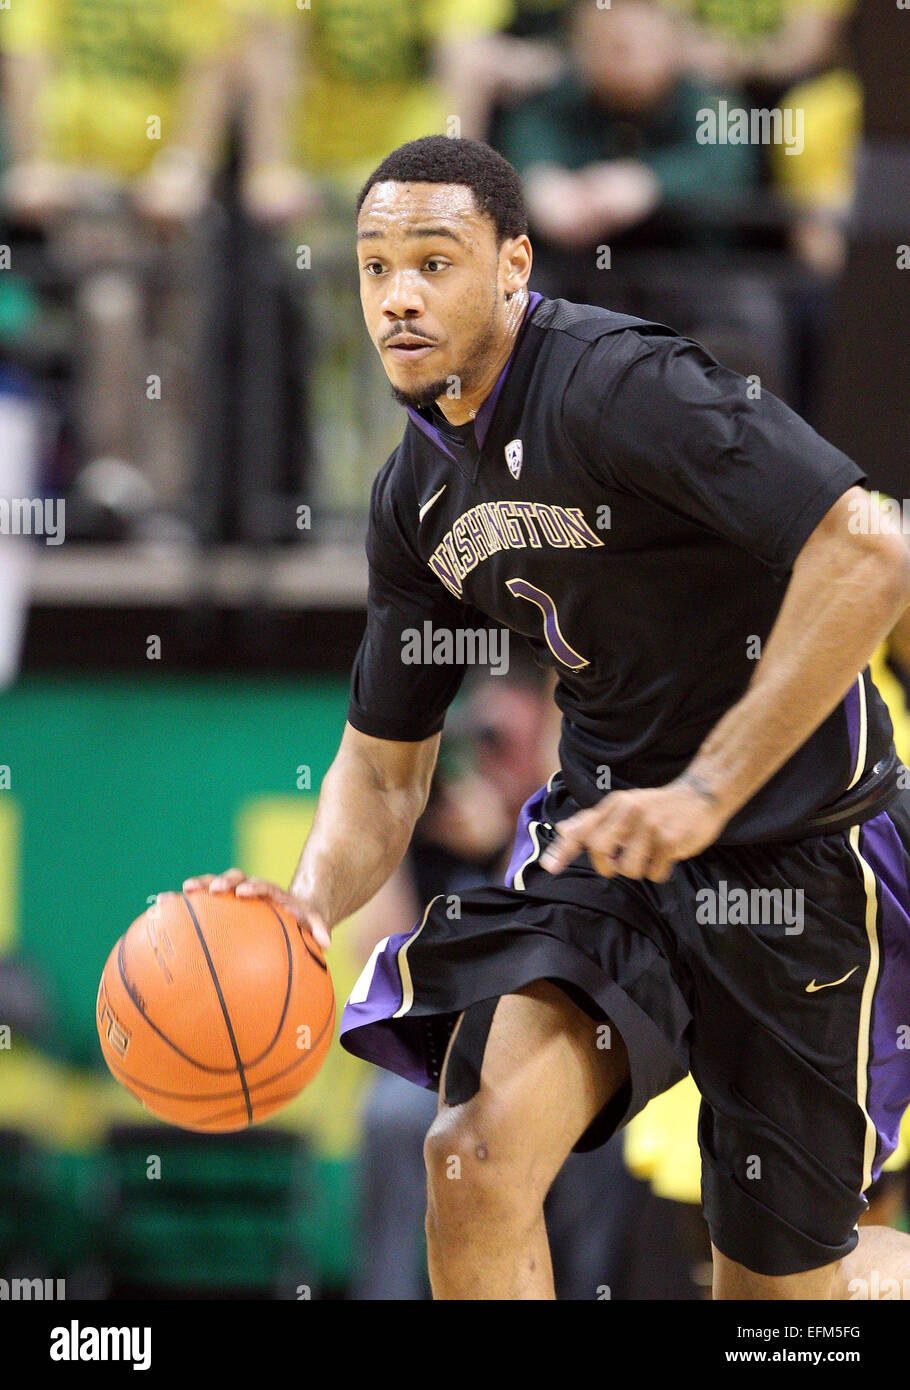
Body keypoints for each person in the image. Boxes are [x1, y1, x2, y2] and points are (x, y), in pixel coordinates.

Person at [182, 135, 910, 1300]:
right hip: (608, 850)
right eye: (374, 268)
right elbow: (381, 774)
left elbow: (871, 545)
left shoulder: (624, 385)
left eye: (434, 260)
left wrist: (708, 792)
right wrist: (308, 903)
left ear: (515, 263)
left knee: (776, 1303)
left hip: (798, 852)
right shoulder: (414, 497)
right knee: (468, 1158)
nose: (399, 296)